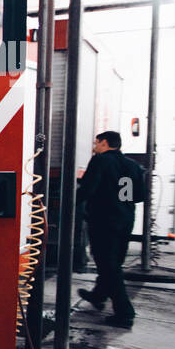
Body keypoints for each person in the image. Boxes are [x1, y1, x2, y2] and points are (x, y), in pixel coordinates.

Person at [75, 130, 147, 328]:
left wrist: (68, 203)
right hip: (125, 220)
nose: (95, 146)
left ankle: (125, 313)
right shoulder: (132, 166)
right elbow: (137, 195)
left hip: (103, 221)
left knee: (108, 265)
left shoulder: (100, 161)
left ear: (105, 143)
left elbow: (88, 189)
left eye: (97, 142)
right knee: (113, 262)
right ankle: (99, 295)